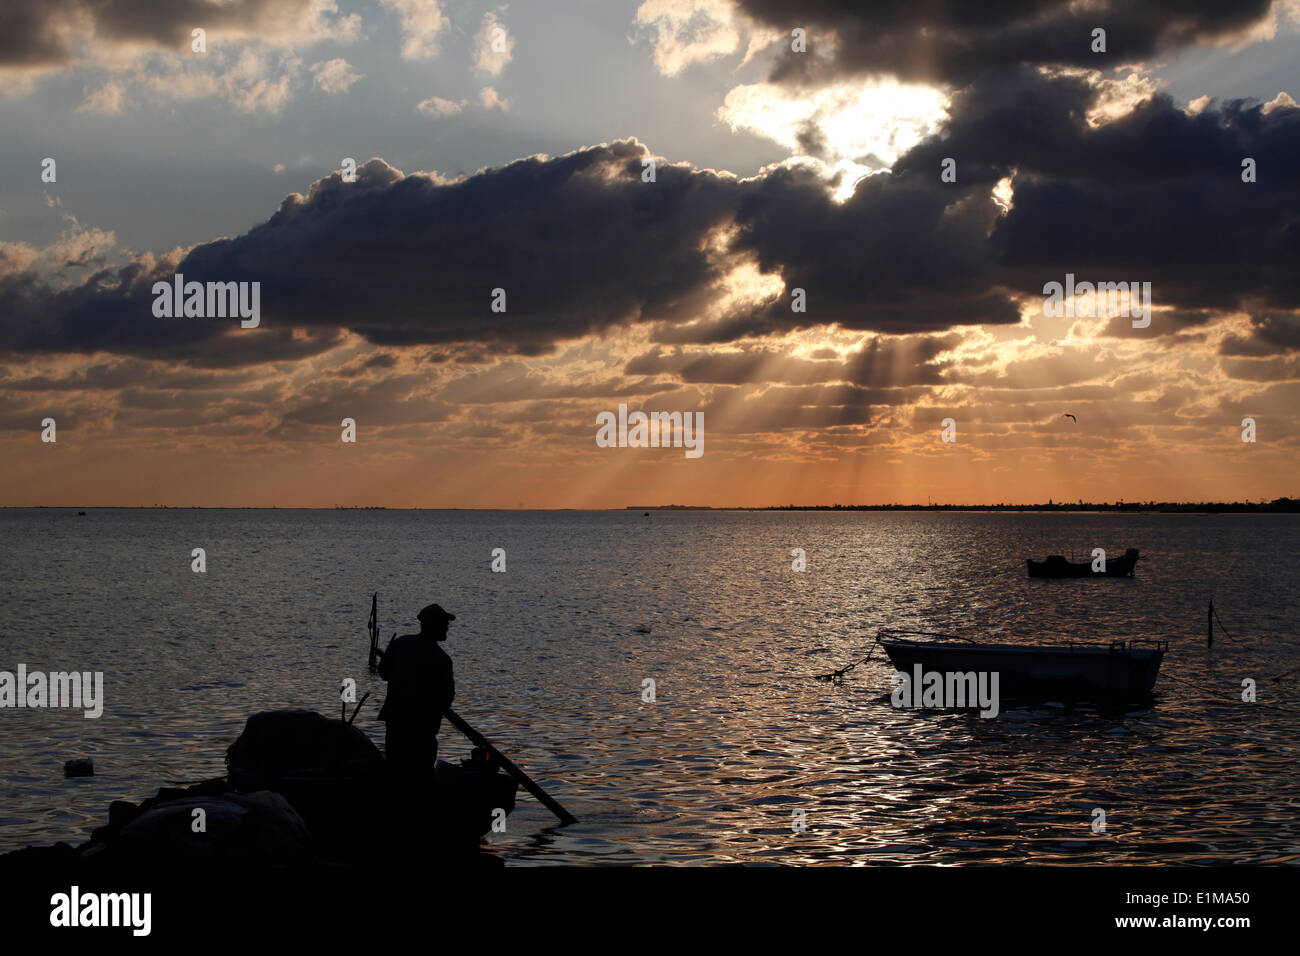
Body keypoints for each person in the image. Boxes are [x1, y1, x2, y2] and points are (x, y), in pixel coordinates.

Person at [376, 603, 456, 773]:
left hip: (396, 725)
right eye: (443, 623)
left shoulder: (400, 644)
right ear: (433, 626)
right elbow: (446, 699)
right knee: (421, 775)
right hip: (423, 731)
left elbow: (383, 672)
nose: (447, 628)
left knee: (395, 770)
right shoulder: (441, 659)